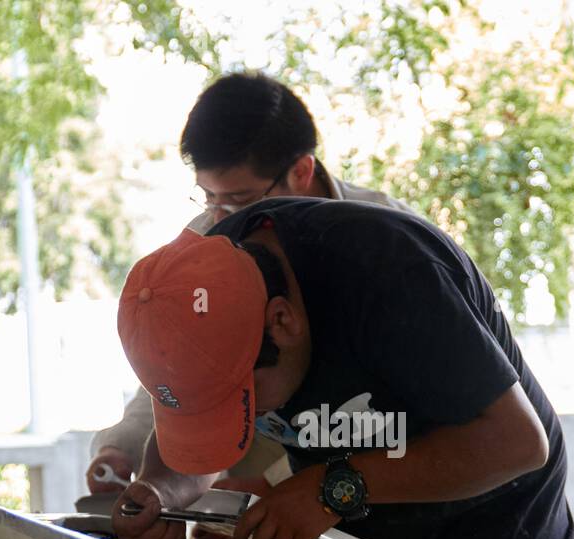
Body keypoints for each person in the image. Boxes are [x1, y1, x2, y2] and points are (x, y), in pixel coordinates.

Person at [111, 197, 574, 539]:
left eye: (242, 400)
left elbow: (518, 444)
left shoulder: (392, 271)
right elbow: (190, 427)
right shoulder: (195, 287)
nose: (243, 424)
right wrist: (163, 491)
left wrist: (329, 488)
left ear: (282, 321)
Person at [87, 72, 412, 492]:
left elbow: (420, 423)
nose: (223, 219)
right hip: (256, 453)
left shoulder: (387, 244)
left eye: (240, 200)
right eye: (208, 197)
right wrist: (125, 449)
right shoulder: (209, 241)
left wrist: (282, 486)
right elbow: (188, 366)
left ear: (301, 170)